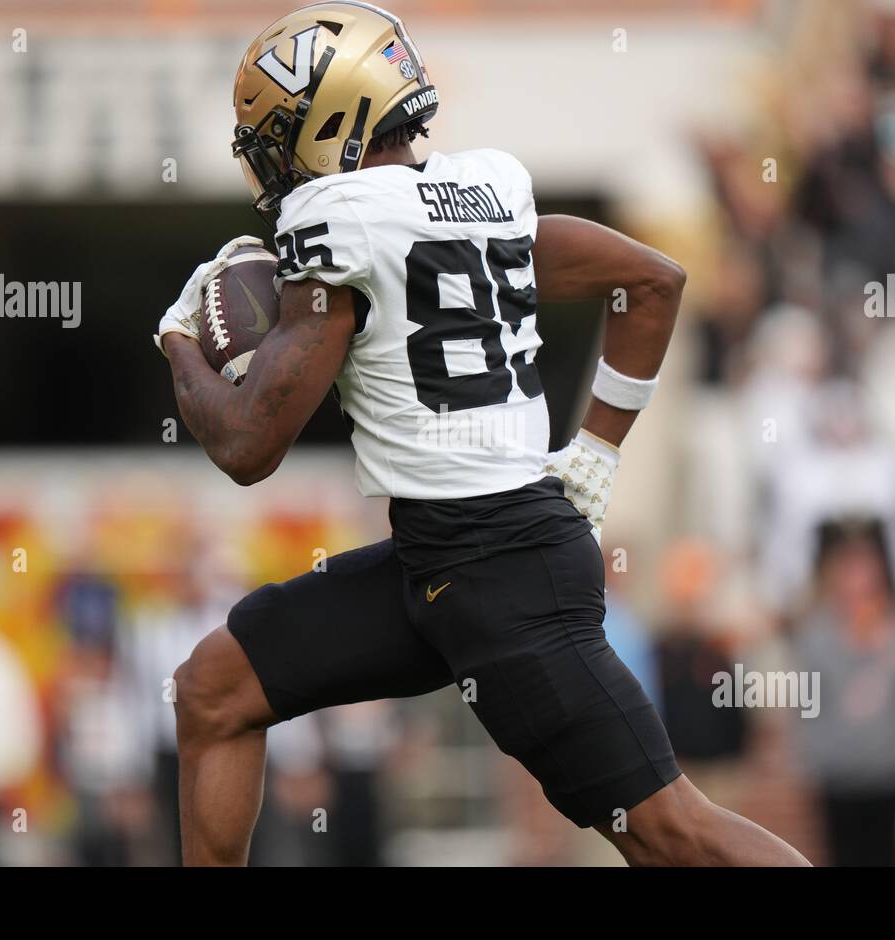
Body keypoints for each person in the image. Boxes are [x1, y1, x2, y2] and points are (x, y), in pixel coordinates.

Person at [158, 1, 808, 867]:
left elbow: (247, 448)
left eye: (281, 134)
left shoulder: (338, 222)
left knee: (671, 834)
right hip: (442, 559)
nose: (275, 162)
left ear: (333, 121)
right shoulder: (483, 189)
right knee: (214, 688)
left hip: (500, 577)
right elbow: (653, 280)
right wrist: (597, 449)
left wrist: (177, 342)